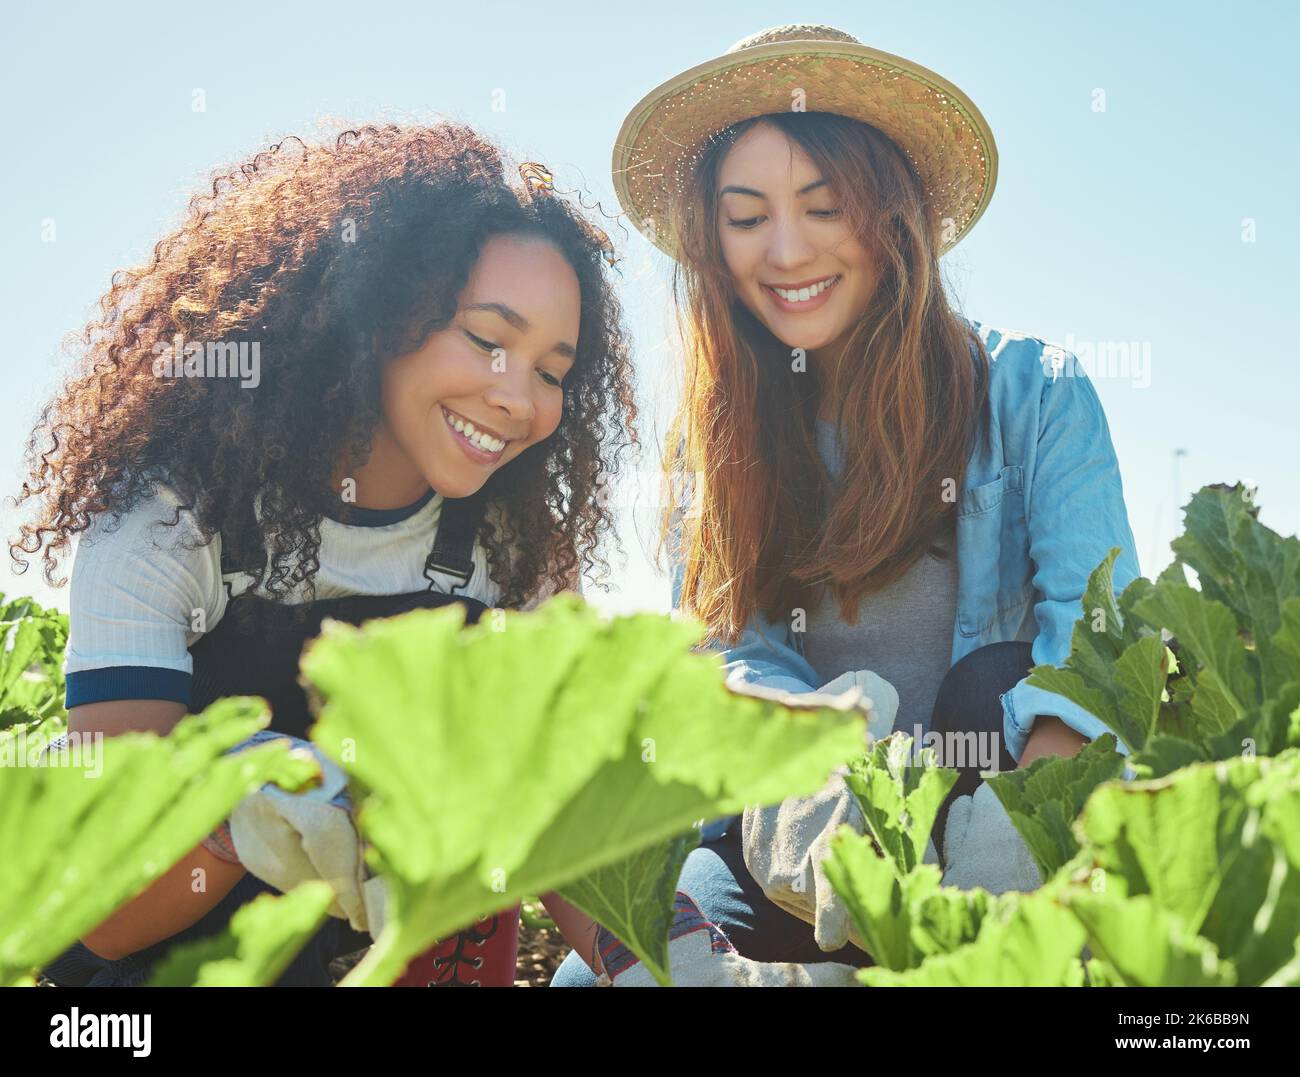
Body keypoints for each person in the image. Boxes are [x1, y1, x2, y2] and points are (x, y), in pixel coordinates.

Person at [551, 23, 1140, 985]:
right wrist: (819, 803)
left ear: (890, 214)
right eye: (746, 218)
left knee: (991, 677)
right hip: (808, 825)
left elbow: (1094, 636)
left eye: (823, 207)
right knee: (612, 978)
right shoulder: (714, 441)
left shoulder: (1038, 391)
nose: (786, 251)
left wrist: (1019, 844)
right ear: (713, 241)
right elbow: (733, 656)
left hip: (1001, 788)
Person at [14, 121, 641, 986]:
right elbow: (108, 915)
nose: (516, 398)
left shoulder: (512, 545)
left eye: (552, 370)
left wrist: (657, 949)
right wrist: (229, 820)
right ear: (380, 314)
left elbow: (578, 809)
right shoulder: (169, 518)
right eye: (488, 338)